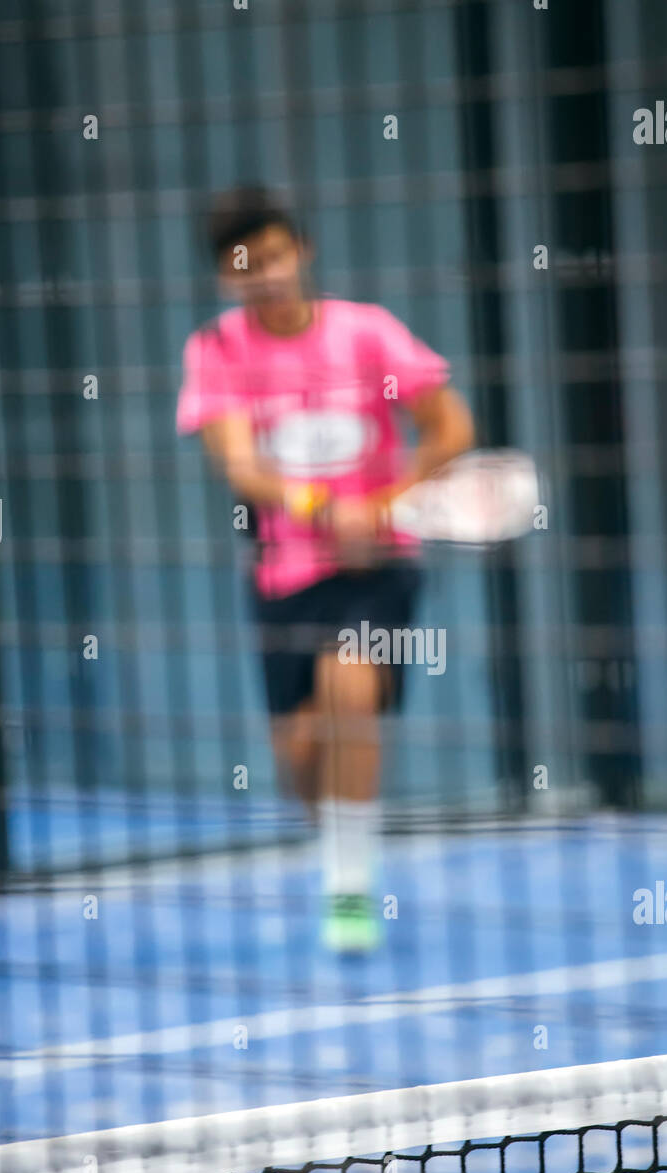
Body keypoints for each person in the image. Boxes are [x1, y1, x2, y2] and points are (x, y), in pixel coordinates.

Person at [177, 186, 474, 951]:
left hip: (379, 567)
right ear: (226, 278)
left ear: (300, 251)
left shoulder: (368, 334)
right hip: (285, 576)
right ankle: (339, 844)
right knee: (301, 757)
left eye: (274, 255)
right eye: (245, 265)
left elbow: (450, 428)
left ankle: (349, 891)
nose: (264, 273)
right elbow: (241, 466)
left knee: (352, 683)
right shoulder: (216, 350)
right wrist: (319, 507)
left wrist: (381, 506)